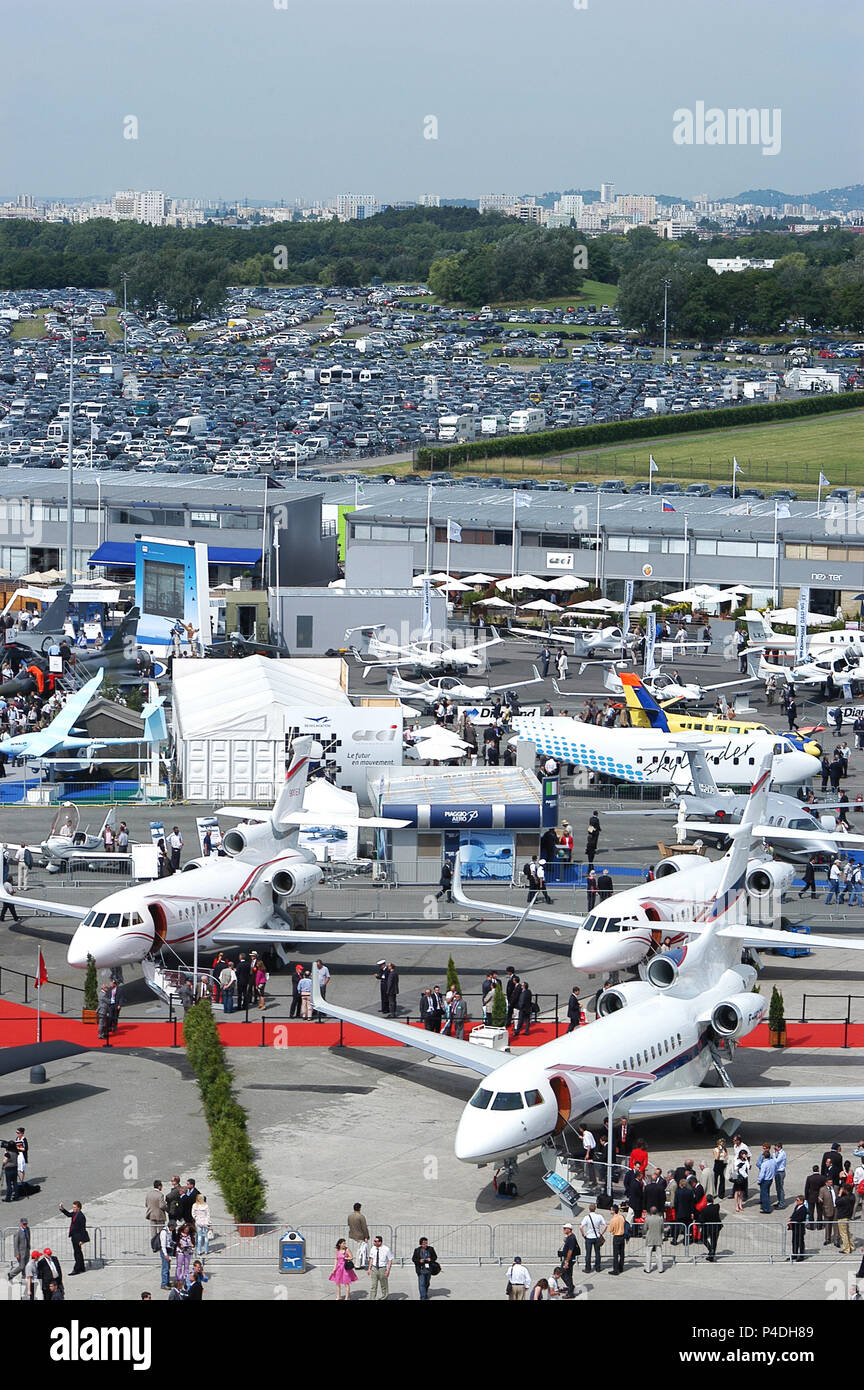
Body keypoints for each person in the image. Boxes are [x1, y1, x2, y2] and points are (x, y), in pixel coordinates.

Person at [580, 1204, 606, 1273]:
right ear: (595, 1209)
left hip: (589, 1237)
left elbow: (581, 1227)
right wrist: (601, 1233)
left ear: (589, 1209)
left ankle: (588, 1268)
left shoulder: (587, 1217)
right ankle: (598, 1268)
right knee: (597, 1253)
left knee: (588, 1254)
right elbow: (605, 1225)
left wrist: (583, 1234)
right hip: (597, 1236)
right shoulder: (599, 1216)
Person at [367, 1235, 393, 1299]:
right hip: (374, 1268)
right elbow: (371, 1259)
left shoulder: (386, 1249)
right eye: (374, 1241)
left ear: (380, 1242)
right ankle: (372, 1298)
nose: (374, 1242)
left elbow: (390, 1260)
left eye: (375, 1241)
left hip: (382, 1268)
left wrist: (388, 1270)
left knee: (384, 1285)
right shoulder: (373, 1248)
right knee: (373, 1285)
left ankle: (384, 1297)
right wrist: (369, 1269)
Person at [558, 1222, 579, 1297]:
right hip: (568, 1259)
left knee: (565, 1274)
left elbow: (570, 1251)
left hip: (569, 1259)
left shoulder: (571, 1238)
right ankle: (570, 1288)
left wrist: (567, 1261)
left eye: (564, 1228)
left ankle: (570, 1291)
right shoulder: (570, 1237)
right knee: (566, 1274)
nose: (563, 1230)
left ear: (569, 1229)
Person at [642, 1206, 665, 1274]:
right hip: (658, 1237)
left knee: (648, 1254)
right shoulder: (660, 1219)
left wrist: (644, 1233)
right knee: (659, 1254)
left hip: (650, 1238)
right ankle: (660, 1269)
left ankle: (648, 1269)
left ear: (650, 1212)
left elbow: (645, 1228)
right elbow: (662, 1229)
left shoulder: (647, 1219)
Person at [8, 1216, 30, 1283]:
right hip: (20, 1253)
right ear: (21, 1224)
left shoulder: (27, 1229)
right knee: (21, 1266)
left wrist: (29, 1248)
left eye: (26, 1224)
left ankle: (23, 1278)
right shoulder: (17, 1232)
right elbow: (15, 1244)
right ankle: (11, 1274)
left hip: (26, 1251)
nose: (25, 1225)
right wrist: (16, 1253)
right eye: (24, 1224)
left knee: (25, 1266)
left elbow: (29, 1238)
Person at [608, 1204, 627, 1275]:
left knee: (615, 1254)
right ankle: (621, 1267)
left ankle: (615, 1269)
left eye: (611, 1209)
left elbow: (610, 1230)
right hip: (622, 1236)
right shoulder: (622, 1217)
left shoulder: (613, 1219)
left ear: (613, 1211)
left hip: (616, 1236)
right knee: (622, 1253)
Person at [702, 1197, 722, 1262]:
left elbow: (702, 1219)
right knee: (714, 1241)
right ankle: (712, 1254)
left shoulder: (704, 1210)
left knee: (703, 1237)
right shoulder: (716, 1206)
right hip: (716, 1227)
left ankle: (711, 1250)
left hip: (708, 1227)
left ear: (706, 1201)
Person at [789, 1195, 808, 1261]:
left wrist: (792, 1220)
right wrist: (791, 1218)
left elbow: (800, 1218)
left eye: (797, 1200)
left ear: (801, 1201)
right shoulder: (797, 1207)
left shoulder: (804, 1209)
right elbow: (794, 1214)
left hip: (800, 1228)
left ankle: (801, 1256)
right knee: (794, 1241)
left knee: (800, 1241)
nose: (796, 1201)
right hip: (795, 1227)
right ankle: (794, 1254)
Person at [773, 1141, 787, 1210]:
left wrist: (773, 1154)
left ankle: (782, 1204)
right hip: (777, 1172)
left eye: (775, 1147)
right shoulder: (778, 1153)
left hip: (780, 1172)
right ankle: (779, 1201)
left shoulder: (782, 1154)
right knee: (777, 1188)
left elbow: (776, 1161)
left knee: (780, 1188)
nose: (775, 1149)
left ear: (779, 1147)